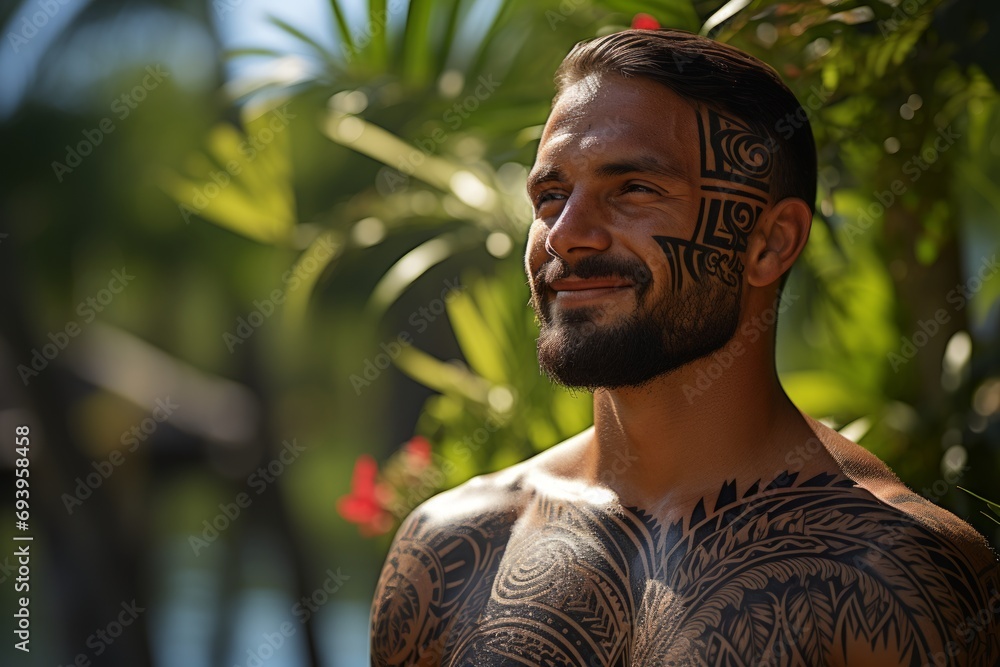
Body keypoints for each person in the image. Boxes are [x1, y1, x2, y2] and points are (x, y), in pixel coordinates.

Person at [369, 28, 1000, 666]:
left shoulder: (896, 573)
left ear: (771, 243)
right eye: (551, 197)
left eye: (634, 190)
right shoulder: (451, 555)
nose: (566, 236)